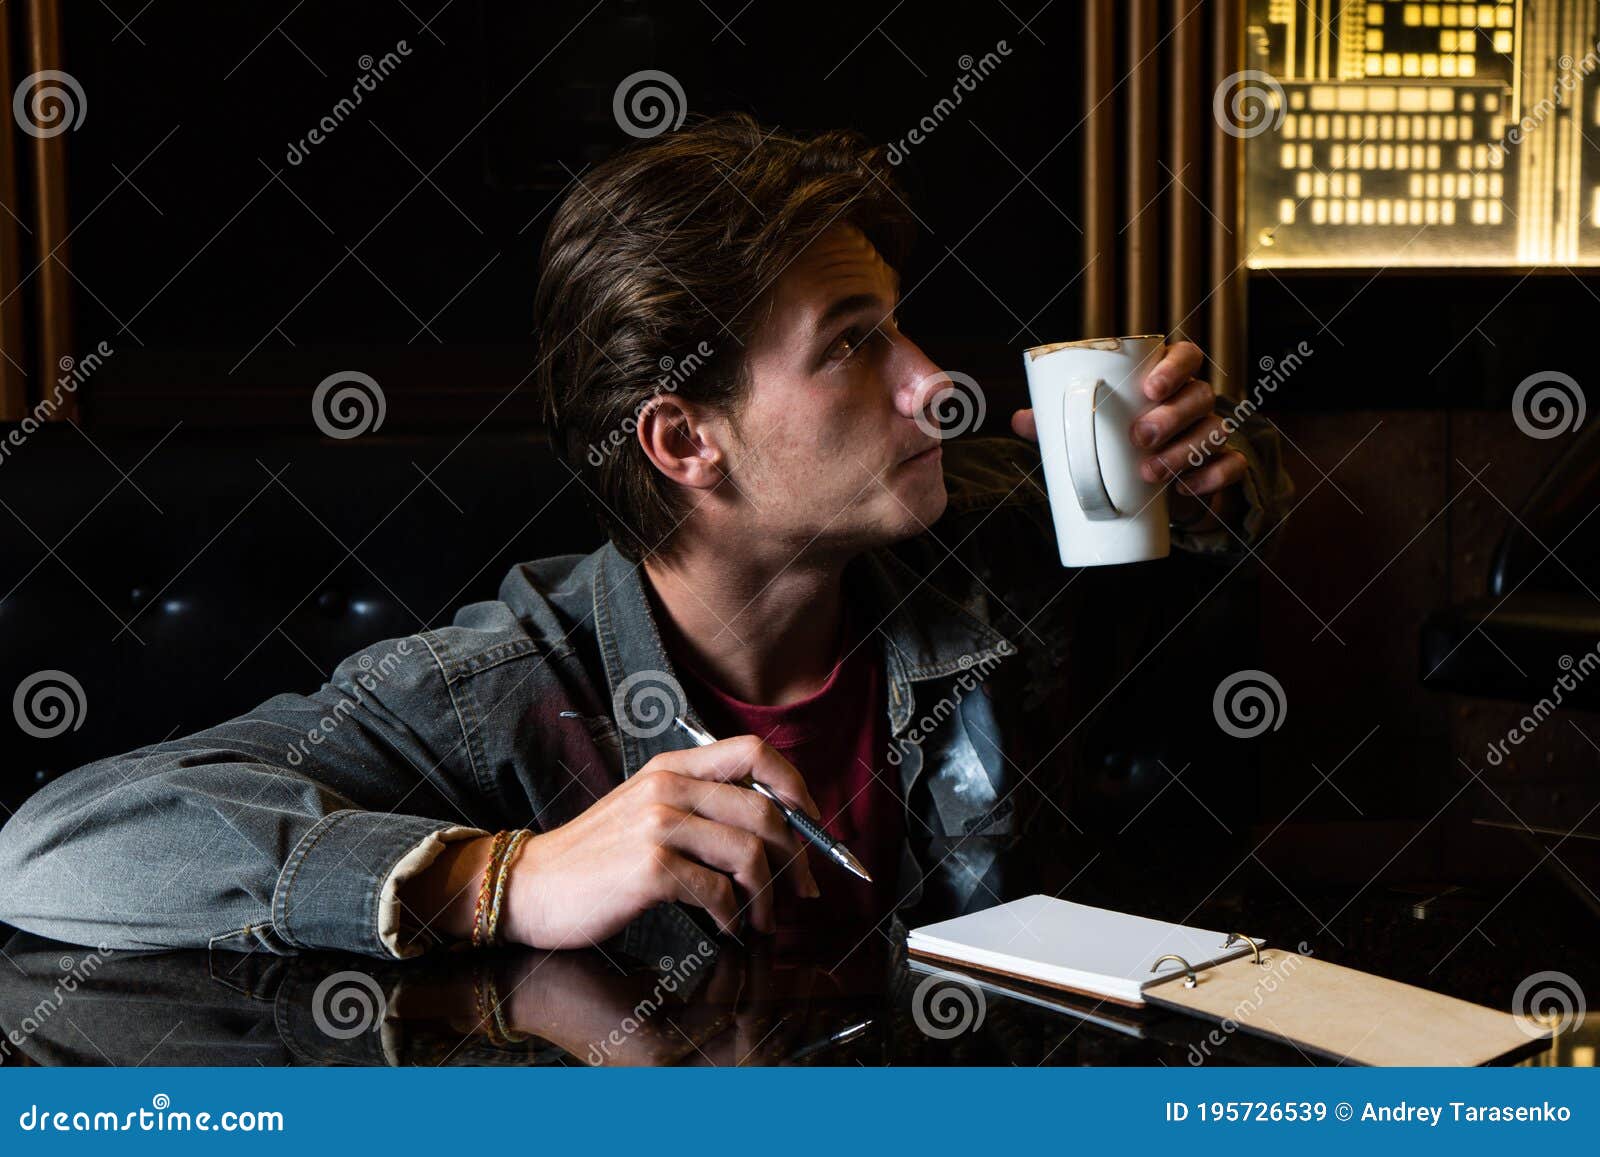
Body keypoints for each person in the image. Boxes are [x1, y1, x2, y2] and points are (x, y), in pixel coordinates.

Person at [0, 114, 1293, 961]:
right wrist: (502, 877)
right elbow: (51, 848)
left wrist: (1215, 477)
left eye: (898, 326)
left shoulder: (982, 543)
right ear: (683, 442)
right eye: (852, 344)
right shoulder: (497, 689)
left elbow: (1215, 539)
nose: (930, 381)